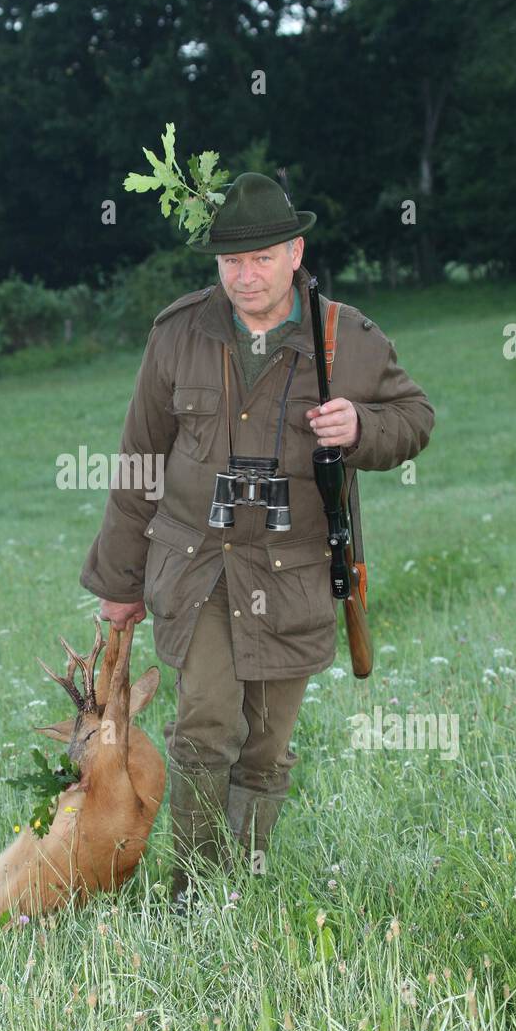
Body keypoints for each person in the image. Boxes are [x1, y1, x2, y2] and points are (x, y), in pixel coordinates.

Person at [79, 172, 435, 909]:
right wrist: (119, 583)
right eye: (232, 261)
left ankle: (239, 887)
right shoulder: (179, 333)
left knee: (265, 749)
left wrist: (363, 428)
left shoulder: (347, 337)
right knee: (205, 729)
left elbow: (415, 416)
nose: (245, 276)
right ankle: (194, 896)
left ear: (295, 252)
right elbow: (140, 456)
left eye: (262, 258)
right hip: (198, 567)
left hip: (294, 572)